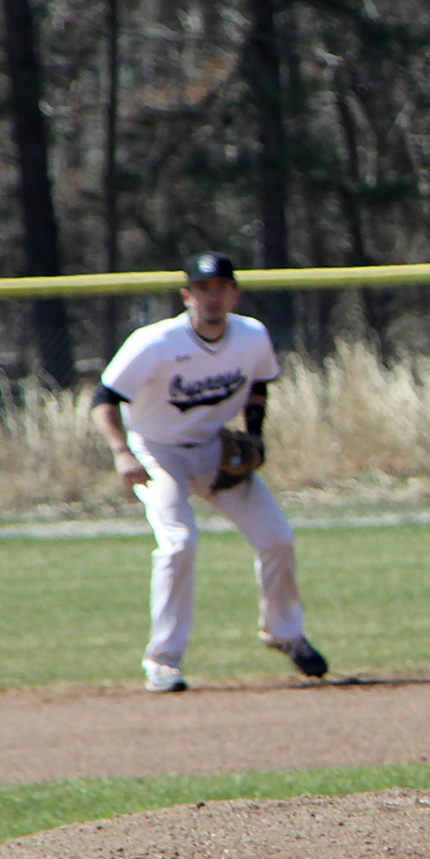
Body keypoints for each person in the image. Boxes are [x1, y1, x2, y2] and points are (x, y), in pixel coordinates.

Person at [89, 252, 328, 693]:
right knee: (179, 543)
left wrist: (254, 436)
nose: (212, 298)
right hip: (158, 452)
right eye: (203, 290)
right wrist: (122, 452)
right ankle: (163, 662)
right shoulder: (155, 342)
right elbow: (103, 397)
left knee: (277, 537)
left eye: (220, 289)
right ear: (187, 297)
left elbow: (258, 386)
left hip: (215, 448)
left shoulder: (252, 336)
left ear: (234, 294)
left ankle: (285, 634)